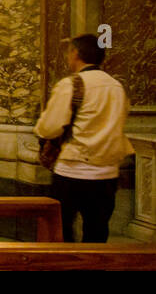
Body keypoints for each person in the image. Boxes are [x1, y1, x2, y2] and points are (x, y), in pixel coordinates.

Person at [33, 34, 134, 243]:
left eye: (69, 52)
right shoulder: (117, 87)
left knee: (61, 230)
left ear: (76, 53)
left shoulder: (71, 85)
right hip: (107, 174)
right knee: (97, 232)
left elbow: (49, 128)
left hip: (72, 170)